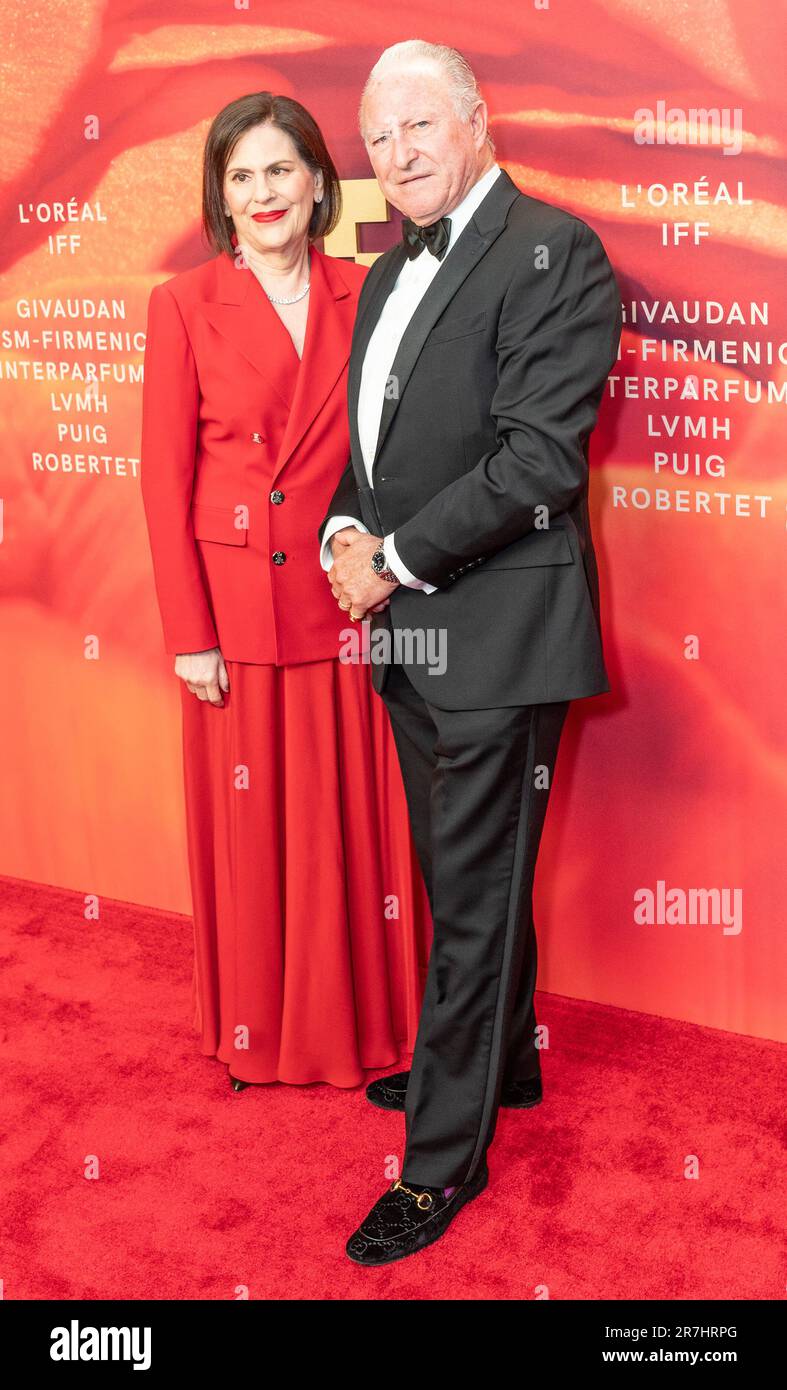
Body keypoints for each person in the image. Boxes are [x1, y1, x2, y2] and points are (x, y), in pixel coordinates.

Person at [319, 41, 622, 1263]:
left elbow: (539, 461)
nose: (396, 157)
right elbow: (372, 451)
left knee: (474, 894)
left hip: (500, 630)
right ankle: (504, 1067)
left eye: (417, 127)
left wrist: (387, 562)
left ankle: (440, 1163)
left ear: (477, 119)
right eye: (377, 140)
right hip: (415, 631)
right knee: (466, 881)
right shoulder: (387, 276)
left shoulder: (557, 251)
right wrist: (350, 524)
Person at [140, 91, 429, 1093]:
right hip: (243, 615)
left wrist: (392, 563)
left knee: (349, 832)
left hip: (353, 603)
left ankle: (373, 1028)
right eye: (242, 176)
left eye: (280, 170)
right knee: (262, 837)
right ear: (221, 197)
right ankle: (262, 1033)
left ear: (319, 183)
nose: (264, 192)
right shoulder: (181, 303)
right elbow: (161, 477)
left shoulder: (377, 288)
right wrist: (190, 632)